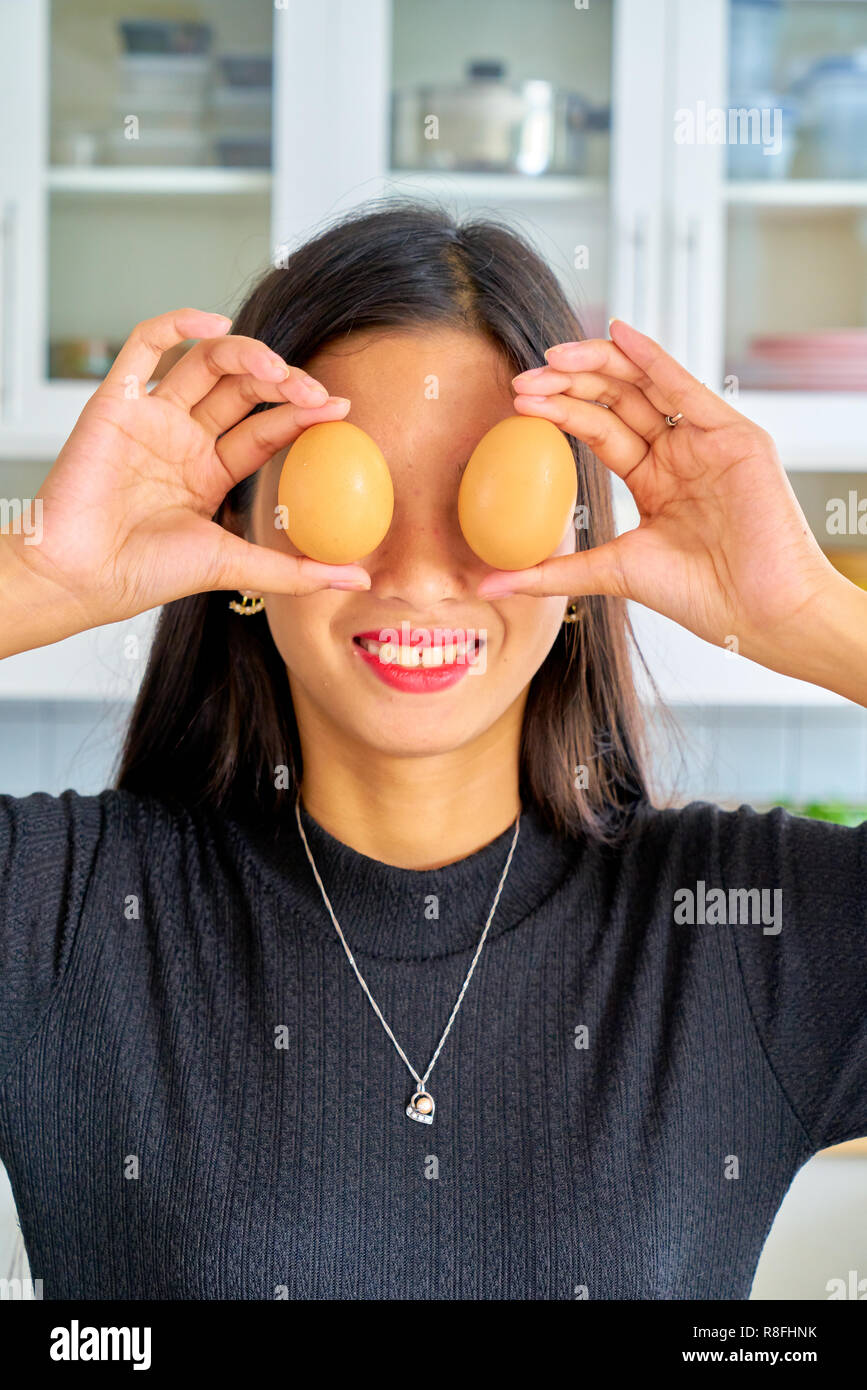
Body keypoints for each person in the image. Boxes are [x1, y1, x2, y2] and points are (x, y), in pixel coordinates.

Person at [0, 202, 864, 1300]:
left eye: (485, 496)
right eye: (350, 495)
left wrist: (808, 614)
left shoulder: (744, 937)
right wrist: (37, 579)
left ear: (577, 546)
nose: (416, 572)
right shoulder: (66, 917)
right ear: (244, 533)